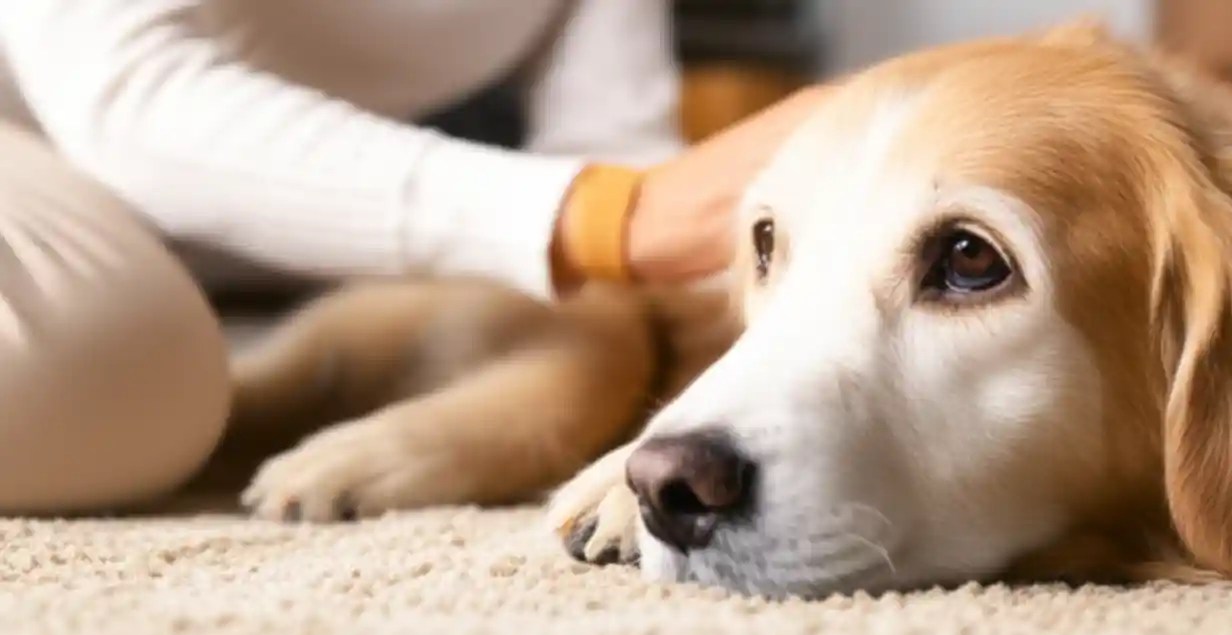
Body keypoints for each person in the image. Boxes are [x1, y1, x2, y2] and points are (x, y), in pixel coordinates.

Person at [0, 1, 831, 513]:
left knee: (591, 326)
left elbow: (609, 155)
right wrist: (609, 215)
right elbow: (123, 94)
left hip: (208, 252)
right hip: (41, 156)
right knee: (114, 382)